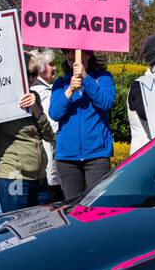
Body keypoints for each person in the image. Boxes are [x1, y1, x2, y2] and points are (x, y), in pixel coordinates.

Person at [0, 77, 54, 213]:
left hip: (39, 178)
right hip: (15, 177)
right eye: (28, 73)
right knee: (17, 224)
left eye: (34, 73)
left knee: (41, 228)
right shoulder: (0, 102)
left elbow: (49, 135)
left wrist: (36, 110)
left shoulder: (34, 96)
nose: (32, 77)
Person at [49, 49, 115, 198]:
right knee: (73, 211)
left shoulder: (103, 78)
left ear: (88, 54)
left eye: (74, 51)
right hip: (67, 160)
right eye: (67, 53)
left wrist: (86, 78)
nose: (71, 56)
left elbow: (106, 103)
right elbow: (54, 113)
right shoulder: (60, 83)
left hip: (97, 157)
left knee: (98, 210)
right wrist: (70, 90)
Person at [26, 49, 63, 205]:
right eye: (50, 65)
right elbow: (52, 127)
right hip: (47, 153)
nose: (53, 68)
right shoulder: (44, 92)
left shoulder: (33, 90)